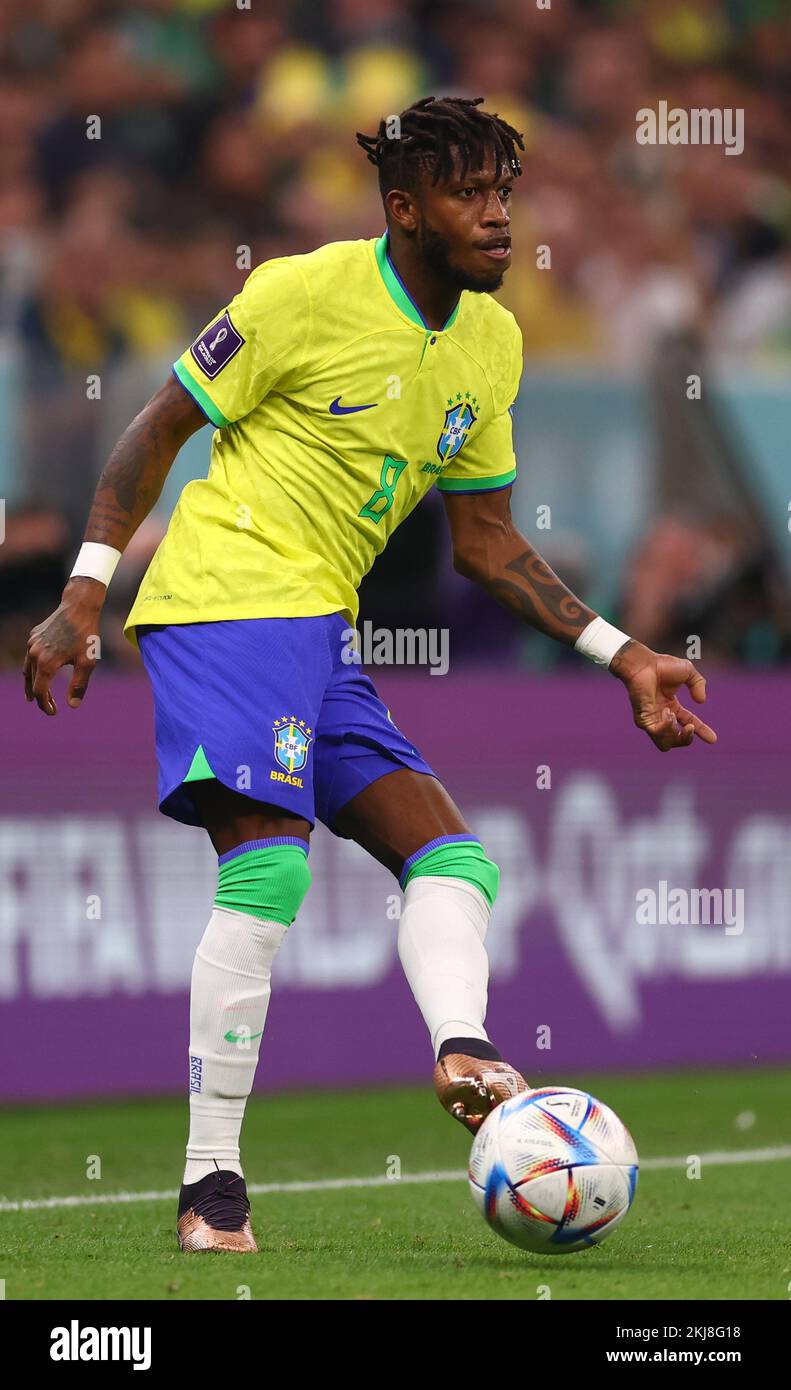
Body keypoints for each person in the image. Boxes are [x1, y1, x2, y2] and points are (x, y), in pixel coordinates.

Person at [24, 96, 717, 1254]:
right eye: (466, 194)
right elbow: (155, 429)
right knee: (269, 875)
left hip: (320, 632)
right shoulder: (300, 293)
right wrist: (86, 591)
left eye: (503, 192)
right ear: (402, 208)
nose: (497, 217)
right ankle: (210, 1190)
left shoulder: (490, 346)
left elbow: (487, 545)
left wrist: (624, 653)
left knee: (452, 858)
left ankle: (462, 1044)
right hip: (226, 597)